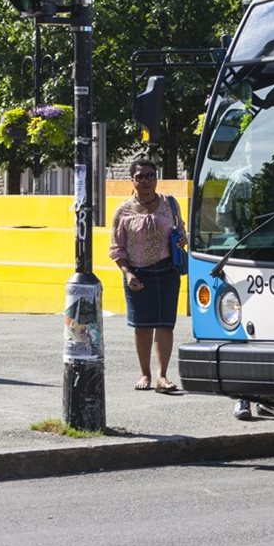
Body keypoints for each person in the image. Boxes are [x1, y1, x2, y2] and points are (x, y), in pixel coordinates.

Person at [109, 159, 185, 394]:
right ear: (132, 180)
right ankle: (145, 373)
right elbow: (116, 248)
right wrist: (128, 273)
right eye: (140, 176)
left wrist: (182, 239)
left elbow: (181, 231)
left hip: (166, 271)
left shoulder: (170, 204)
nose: (146, 180)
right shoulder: (122, 211)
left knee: (165, 324)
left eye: (150, 175)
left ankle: (162, 377)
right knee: (142, 327)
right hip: (137, 274)